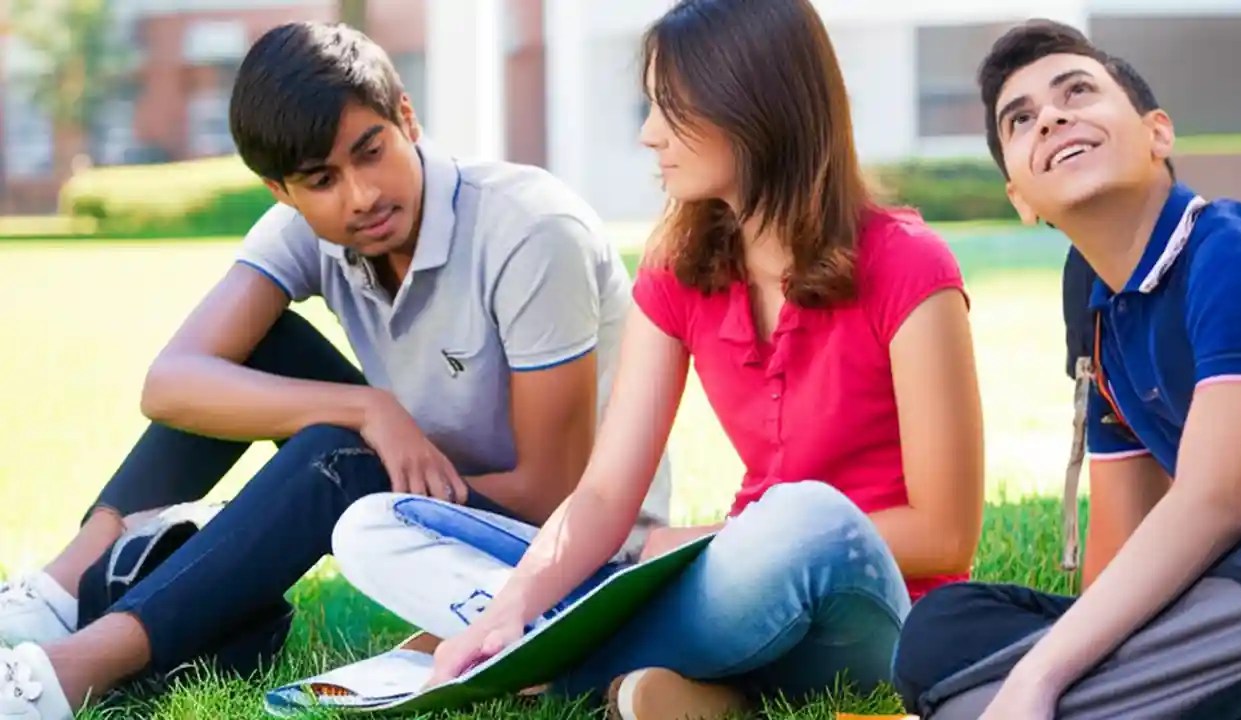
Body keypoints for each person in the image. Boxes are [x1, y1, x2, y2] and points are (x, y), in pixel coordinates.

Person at [330, 1, 984, 718]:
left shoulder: (910, 266)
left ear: (754, 107)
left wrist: (719, 540)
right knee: (371, 528)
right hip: (736, 582)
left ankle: (554, 664)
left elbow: (945, 534)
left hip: (869, 603)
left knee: (807, 520)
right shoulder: (680, 267)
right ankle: (670, 682)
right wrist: (505, 611)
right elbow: (606, 496)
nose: (648, 135)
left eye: (670, 110)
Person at [0, 21, 671, 719]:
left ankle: (69, 671)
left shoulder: (529, 230)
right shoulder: (311, 230)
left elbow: (552, 492)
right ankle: (56, 594)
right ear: (281, 191)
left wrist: (313, 477)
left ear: (405, 117)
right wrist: (368, 411)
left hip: (572, 550)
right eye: (322, 180)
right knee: (269, 362)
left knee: (334, 459)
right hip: (432, 488)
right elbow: (170, 383)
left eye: (372, 152)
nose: (361, 196)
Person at [891, 19, 1241, 720]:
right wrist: (1072, 647)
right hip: (1232, 603)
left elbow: (1218, 501)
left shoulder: (1225, 244)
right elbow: (1120, 545)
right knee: (937, 636)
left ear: (1157, 133)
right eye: (1022, 119)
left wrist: (1039, 676)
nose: (1053, 117)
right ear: (1020, 197)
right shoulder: (1093, 303)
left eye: (1078, 91)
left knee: (1014, 682)